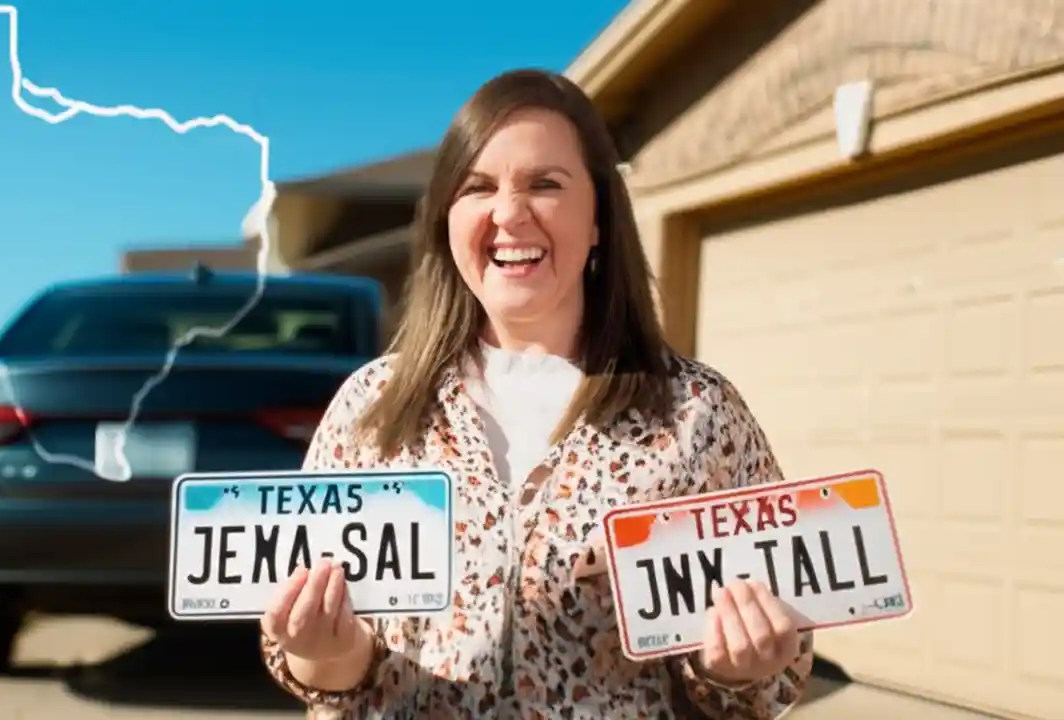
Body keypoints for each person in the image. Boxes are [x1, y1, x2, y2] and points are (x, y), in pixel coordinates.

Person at [258, 68, 814, 718]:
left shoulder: (697, 414)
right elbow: (326, 678)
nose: (509, 213)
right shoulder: (370, 409)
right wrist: (325, 647)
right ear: (446, 219)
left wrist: (732, 665)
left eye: (545, 185)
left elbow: (776, 670)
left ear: (600, 217)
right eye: (478, 188)